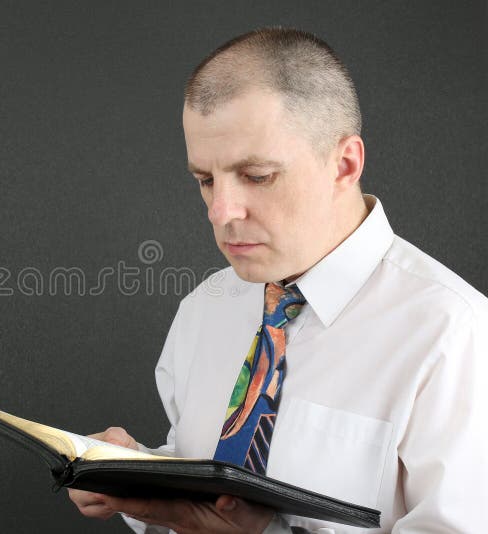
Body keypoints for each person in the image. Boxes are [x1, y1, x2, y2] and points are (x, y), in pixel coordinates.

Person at [68, 27, 488, 533]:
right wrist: (137, 477)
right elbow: (203, 475)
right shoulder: (207, 307)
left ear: (344, 164)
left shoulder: (454, 334)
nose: (221, 212)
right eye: (205, 179)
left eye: (257, 175)